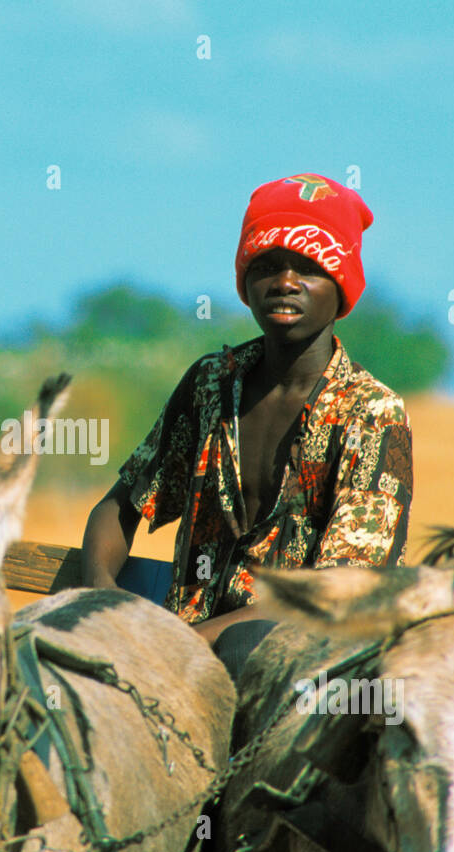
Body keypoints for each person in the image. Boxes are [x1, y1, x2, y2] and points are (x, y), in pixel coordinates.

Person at [80, 173, 413, 679]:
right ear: (245, 282)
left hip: (300, 678)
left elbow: (339, 588)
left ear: (341, 285)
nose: (284, 282)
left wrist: (187, 644)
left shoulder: (372, 413)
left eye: (310, 268)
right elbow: (118, 508)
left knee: (245, 648)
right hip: (177, 658)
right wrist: (102, 600)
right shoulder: (210, 385)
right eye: (267, 266)